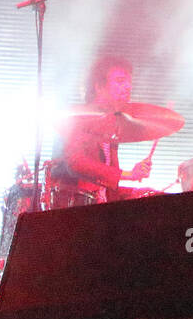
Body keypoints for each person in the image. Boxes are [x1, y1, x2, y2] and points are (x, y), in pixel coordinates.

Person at [52, 55, 153, 207]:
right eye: (120, 81)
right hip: (73, 213)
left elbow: (105, 188)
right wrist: (127, 174)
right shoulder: (79, 119)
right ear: (98, 86)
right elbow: (75, 162)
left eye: (129, 82)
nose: (128, 87)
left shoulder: (111, 128)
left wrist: (138, 193)